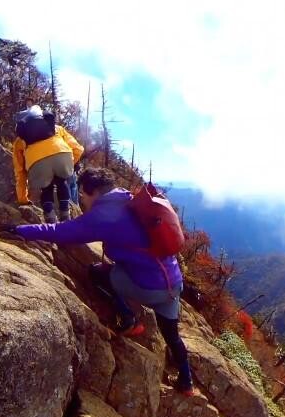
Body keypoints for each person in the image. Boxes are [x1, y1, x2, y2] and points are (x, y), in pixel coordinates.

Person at [12, 166, 194, 394]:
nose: (82, 200)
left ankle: (128, 319)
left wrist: (21, 230)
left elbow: (61, 231)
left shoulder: (104, 215)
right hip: (173, 284)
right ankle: (186, 382)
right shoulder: (129, 198)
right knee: (172, 335)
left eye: (82, 194)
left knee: (98, 273)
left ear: (93, 192)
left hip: (149, 287)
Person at [10, 104, 83, 222]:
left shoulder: (19, 141)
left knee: (46, 188)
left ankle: (50, 219)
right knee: (62, 181)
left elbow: (20, 171)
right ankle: (66, 215)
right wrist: (70, 163)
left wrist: (23, 198)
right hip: (63, 155)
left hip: (37, 163)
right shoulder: (56, 128)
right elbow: (78, 149)